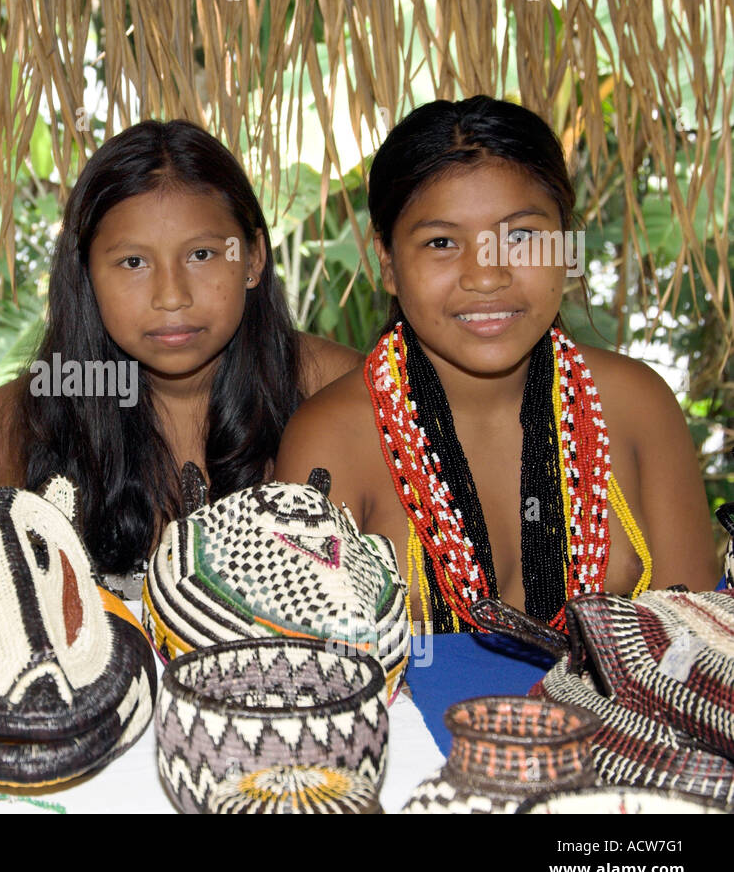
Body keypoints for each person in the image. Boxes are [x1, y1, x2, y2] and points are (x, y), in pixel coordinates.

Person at [275, 95, 718, 633]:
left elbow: (698, 647)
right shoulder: (331, 437)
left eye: (521, 237)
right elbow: (314, 672)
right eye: (441, 242)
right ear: (387, 264)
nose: (486, 276)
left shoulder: (637, 404)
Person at [0, 120, 360, 596]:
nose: (172, 296)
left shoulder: (351, 397)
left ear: (254, 258)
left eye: (201, 254)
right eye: (133, 262)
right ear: (86, 275)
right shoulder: (31, 416)